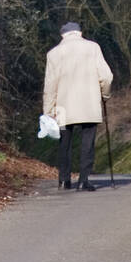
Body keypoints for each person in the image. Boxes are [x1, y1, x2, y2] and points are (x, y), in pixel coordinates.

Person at [43, 21, 113, 192]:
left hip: (63, 106)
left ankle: (64, 181)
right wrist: (104, 95)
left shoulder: (53, 54)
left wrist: (48, 111)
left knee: (64, 144)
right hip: (89, 103)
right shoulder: (93, 48)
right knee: (87, 142)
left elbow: (50, 85)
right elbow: (107, 77)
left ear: (62, 35)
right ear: (80, 33)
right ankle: (83, 181)